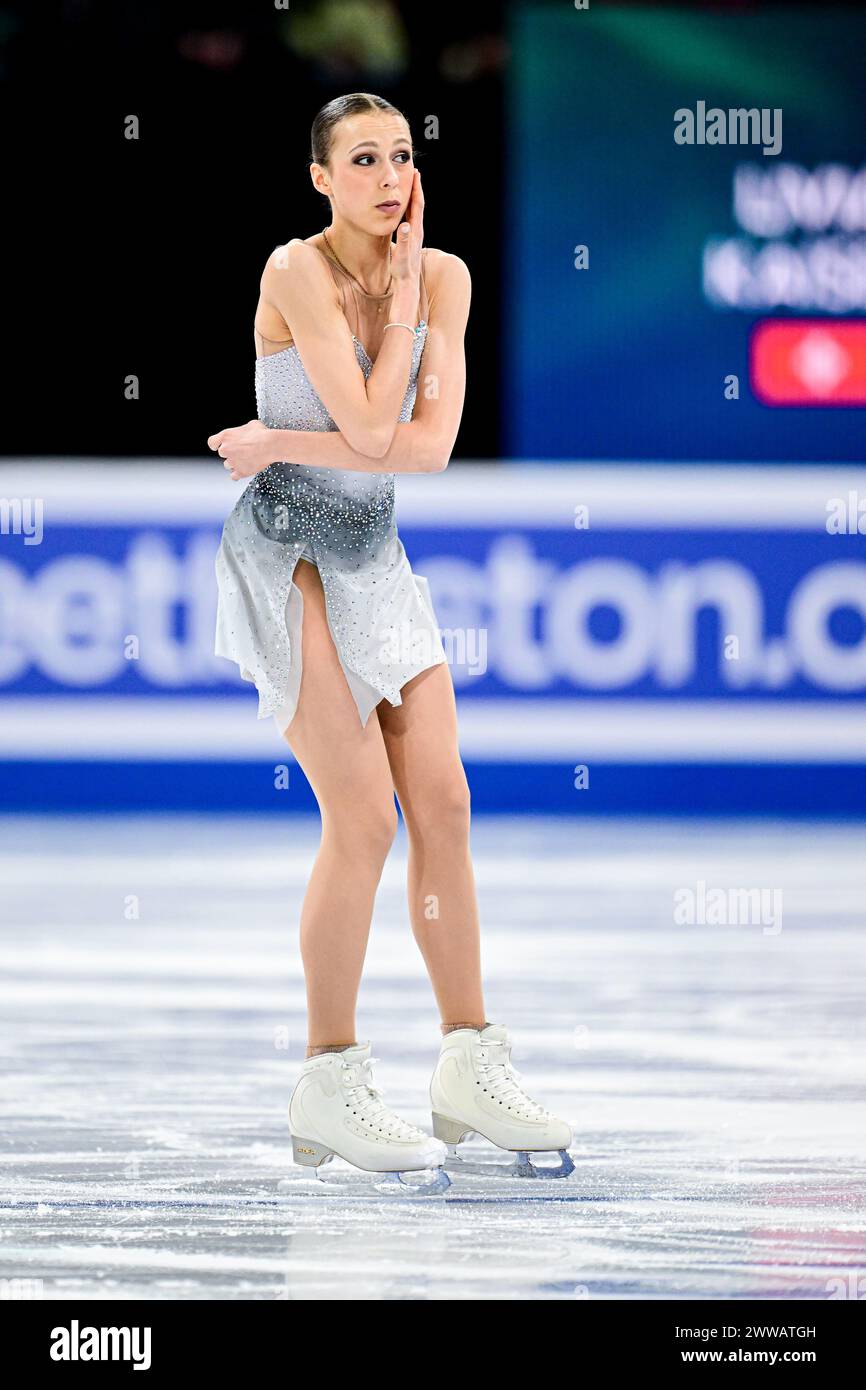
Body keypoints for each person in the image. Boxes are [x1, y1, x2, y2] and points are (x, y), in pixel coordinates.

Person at [207, 93, 572, 1181]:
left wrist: (277, 431)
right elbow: (372, 426)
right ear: (320, 176)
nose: (386, 175)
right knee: (363, 817)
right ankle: (327, 1076)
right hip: (286, 554)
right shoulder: (295, 271)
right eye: (361, 158)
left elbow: (425, 453)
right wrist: (329, 417)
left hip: (372, 550)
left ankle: (466, 1058)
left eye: (401, 155)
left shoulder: (443, 275)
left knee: (445, 803)